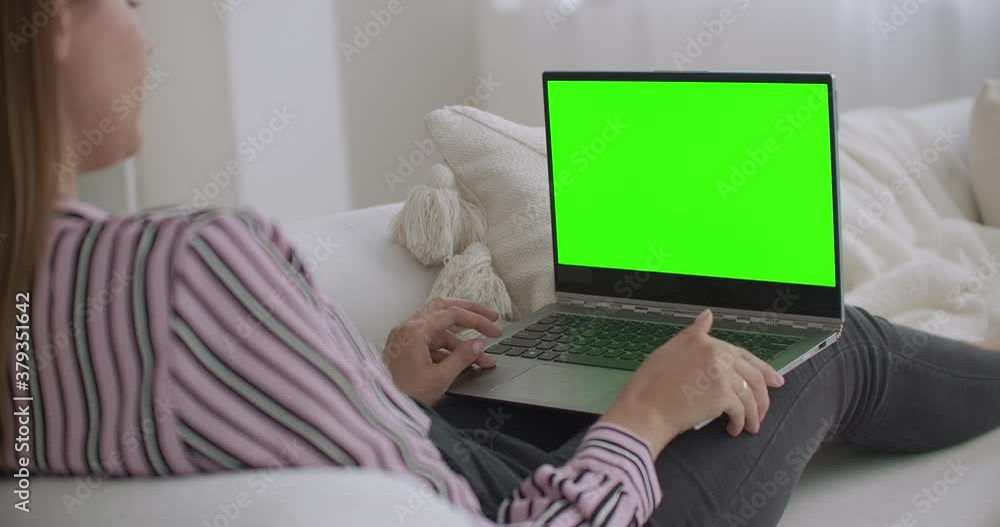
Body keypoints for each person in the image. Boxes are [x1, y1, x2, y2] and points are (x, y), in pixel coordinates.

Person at [2, 1, 999, 525]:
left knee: (540, 353)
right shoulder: (189, 266)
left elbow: (254, 432)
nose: (142, 32)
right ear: (48, 24)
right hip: (556, 496)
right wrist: (644, 413)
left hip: (462, 451)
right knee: (833, 342)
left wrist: (382, 386)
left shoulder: (46, 298)